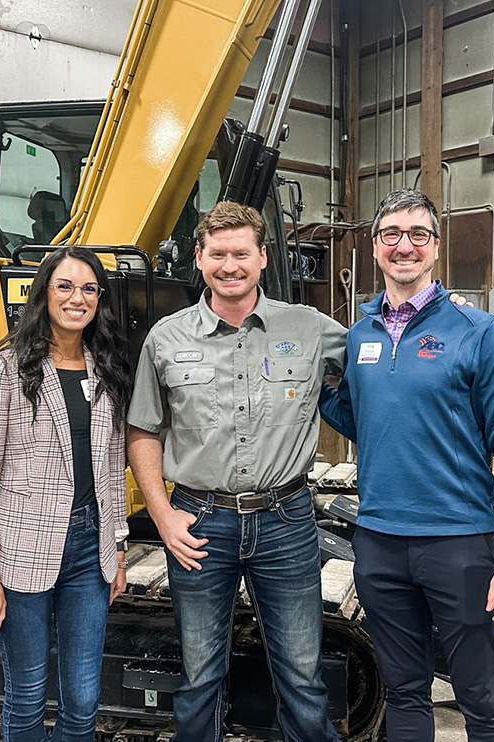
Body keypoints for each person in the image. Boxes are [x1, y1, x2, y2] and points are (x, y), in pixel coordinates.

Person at [320, 189, 494, 742]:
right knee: (405, 696)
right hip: (379, 544)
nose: (404, 245)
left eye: (418, 234)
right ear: (375, 247)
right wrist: (311, 387)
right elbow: (367, 421)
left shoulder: (478, 332)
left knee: (483, 702)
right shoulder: (361, 335)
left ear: (436, 247)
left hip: (459, 545)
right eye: (391, 234)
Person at [126, 201, 345, 742]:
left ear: (263, 257)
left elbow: (385, 351)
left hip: (286, 521)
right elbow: (142, 430)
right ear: (199, 258)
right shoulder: (166, 338)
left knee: (302, 676)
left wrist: (434, 315)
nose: (230, 266)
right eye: (218, 254)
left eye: (241, 253)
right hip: (199, 523)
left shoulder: (310, 328)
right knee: (200, 675)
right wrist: (162, 515)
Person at [0, 246, 132, 742]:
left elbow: (111, 468)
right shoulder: (5, 370)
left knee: (83, 699)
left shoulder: (106, 369)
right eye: (65, 286)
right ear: (43, 293)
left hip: (90, 548)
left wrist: (118, 548)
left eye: (89, 289)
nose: (78, 298)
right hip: (22, 550)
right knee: (27, 694)